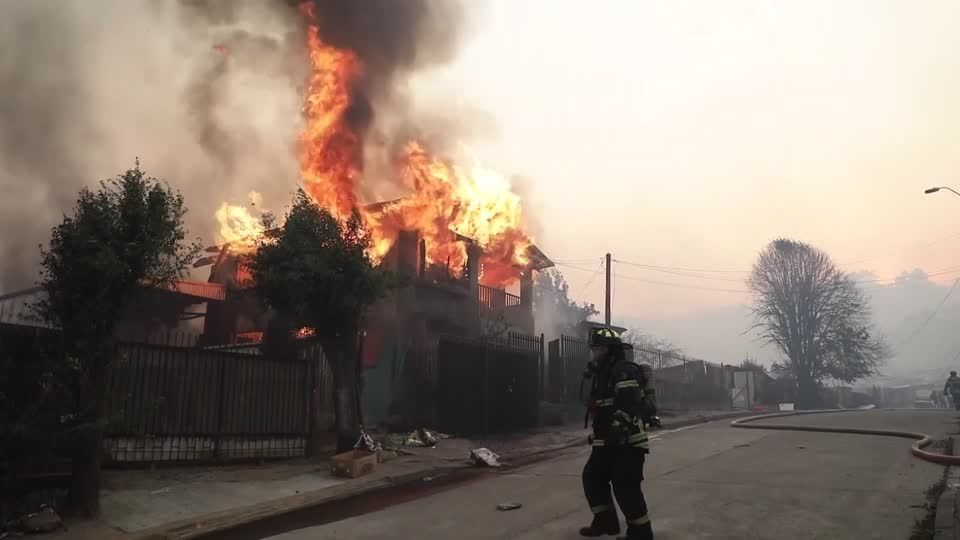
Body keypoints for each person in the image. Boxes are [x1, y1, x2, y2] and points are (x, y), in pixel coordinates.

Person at [579, 327, 654, 540]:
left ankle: (641, 533)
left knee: (625, 487)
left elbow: (628, 404)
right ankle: (606, 522)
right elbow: (603, 409)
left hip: (628, 441)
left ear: (610, 350)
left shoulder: (624, 370)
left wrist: (616, 430)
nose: (594, 355)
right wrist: (599, 435)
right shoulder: (602, 374)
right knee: (592, 478)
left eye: (598, 350)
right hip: (607, 442)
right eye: (593, 350)